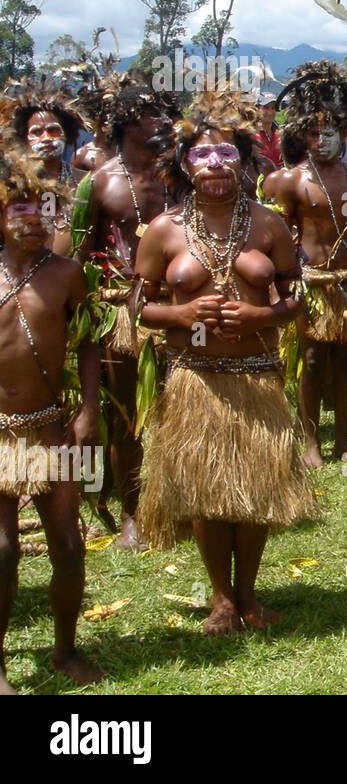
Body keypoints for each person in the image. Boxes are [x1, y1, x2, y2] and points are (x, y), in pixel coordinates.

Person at [135, 90, 316, 635]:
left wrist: (263, 319)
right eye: (201, 155)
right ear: (183, 165)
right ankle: (220, 599)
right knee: (207, 495)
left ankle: (249, 595)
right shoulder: (164, 229)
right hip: (196, 379)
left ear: (246, 159)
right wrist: (183, 310)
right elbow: (136, 308)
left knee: (254, 491)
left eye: (226, 154)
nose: (214, 165)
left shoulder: (268, 225)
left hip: (257, 378)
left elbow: (295, 299)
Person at [0, 148, 103, 691]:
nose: (33, 219)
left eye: (43, 208)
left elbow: (88, 342)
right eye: (19, 210)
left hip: (49, 425)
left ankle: (65, 649)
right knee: (2, 549)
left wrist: (87, 409)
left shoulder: (67, 274)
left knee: (66, 544)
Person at [81, 71, 181, 550]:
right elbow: (79, 256)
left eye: (165, 111)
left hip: (177, 307)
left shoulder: (178, 175)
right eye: (150, 113)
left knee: (178, 406)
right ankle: (132, 512)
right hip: (121, 313)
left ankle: (178, 502)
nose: (162, 121)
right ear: (125, 121)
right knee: (127, 413)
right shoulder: (99, 183)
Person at [266, 62, 347, 468]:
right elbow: (279, 237)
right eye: (313, 133)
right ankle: (311, 440)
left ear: (344, 135)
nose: (322, 141)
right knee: (312, 360)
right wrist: (284, 284)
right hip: (310, 283)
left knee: (345, 360)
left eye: (329, 133)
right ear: (303, 136)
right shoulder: (289, 180)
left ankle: (343, 440)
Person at [3, 78, 86, 255]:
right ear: (23, 137)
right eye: (36, 132)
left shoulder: (85, 181)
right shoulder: (11, 185)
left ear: (67, 133)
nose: (46, 138)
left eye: (53, 130)